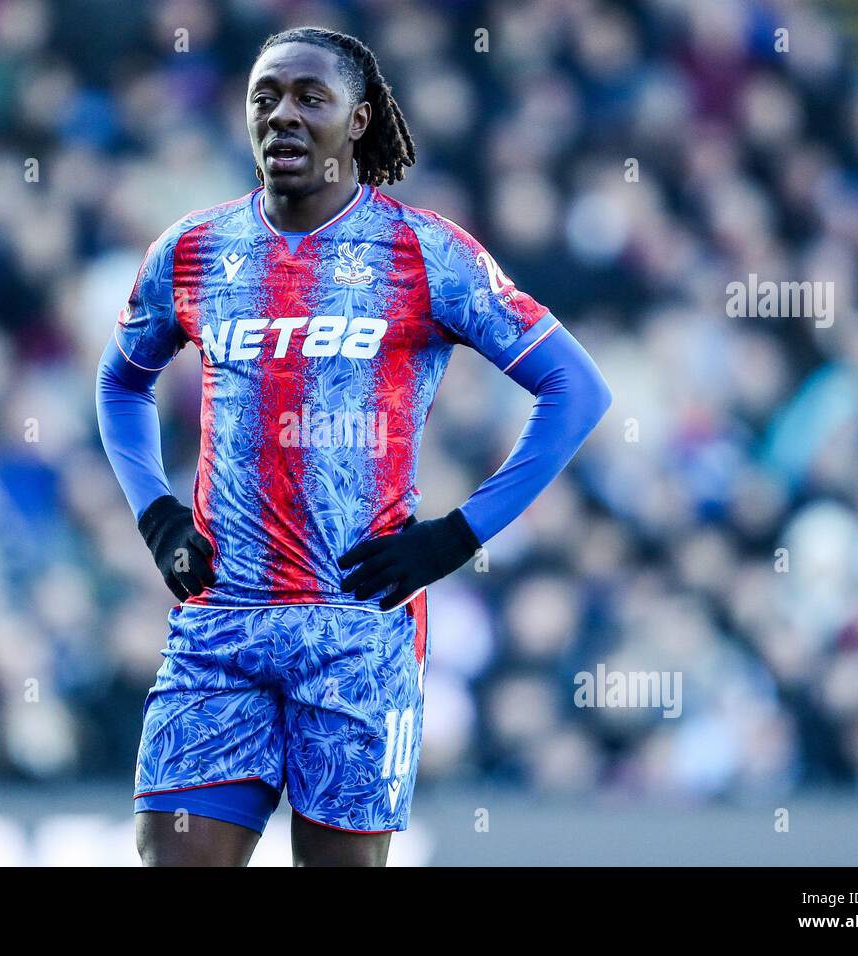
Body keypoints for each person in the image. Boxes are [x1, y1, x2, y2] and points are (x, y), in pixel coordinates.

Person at [96, 26, 612, 866]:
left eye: (311, 99)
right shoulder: (193, 249)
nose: (283, 116)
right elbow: (121, 382)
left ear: (360, 120)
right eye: (266, 98)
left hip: (357, 633)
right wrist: (156, 513)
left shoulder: (425, 252)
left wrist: (456, 537)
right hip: (219, 624)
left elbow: (575, 391)